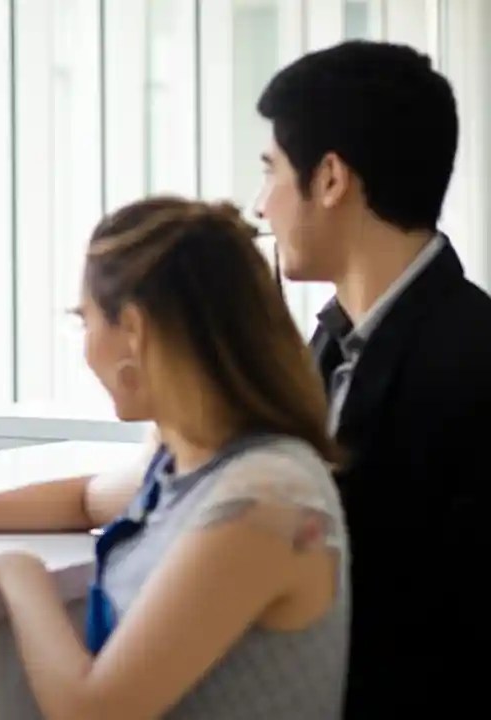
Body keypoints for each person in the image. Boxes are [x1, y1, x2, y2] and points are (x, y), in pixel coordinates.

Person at [0, 198, 350, 719]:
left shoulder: (263, 499)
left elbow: (92, 709)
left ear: (133, 329)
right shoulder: (199, 464)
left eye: (85, 321)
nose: (84, 345)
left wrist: (18, 571)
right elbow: (86, 498)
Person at [252, 40, 490, 716]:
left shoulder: (470, 361)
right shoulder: (324, 344)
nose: (262, 203)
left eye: (271, 170)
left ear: (330, 178)